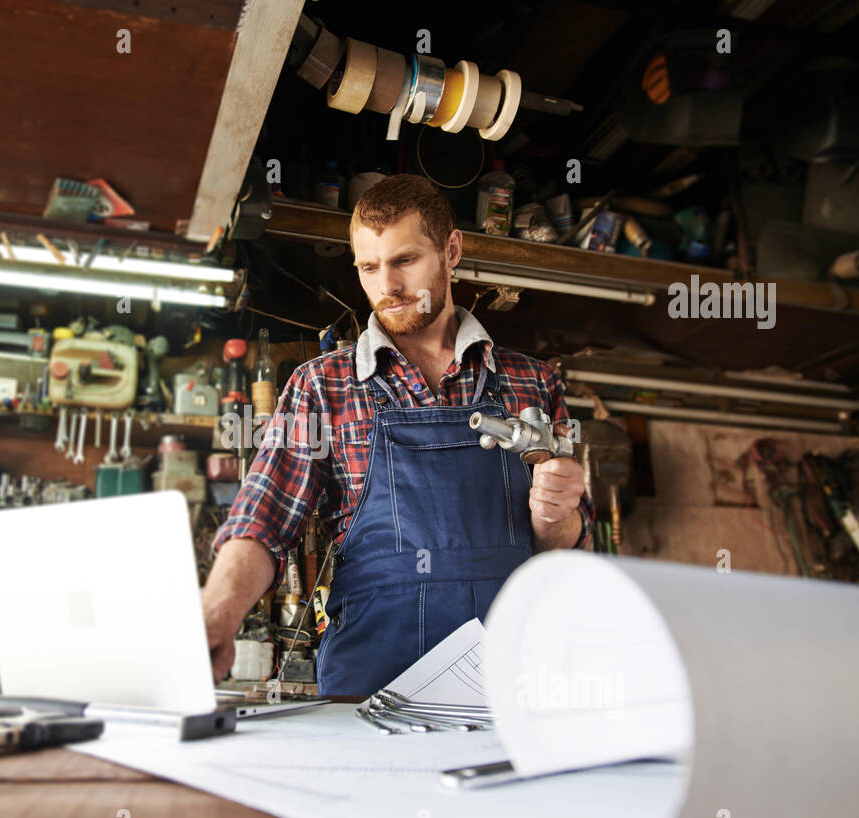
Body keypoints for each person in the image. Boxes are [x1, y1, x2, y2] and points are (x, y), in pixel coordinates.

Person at [202, 173, 594, 694]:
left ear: (451, 250)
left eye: (405, 261)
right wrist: (216, 615)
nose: (386, 287)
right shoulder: (324, 386)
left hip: (509, 684)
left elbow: (568, 553)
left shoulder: (532, 383)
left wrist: (556, 516)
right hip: (368, 688)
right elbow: (263, 519)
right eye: (369, 267)